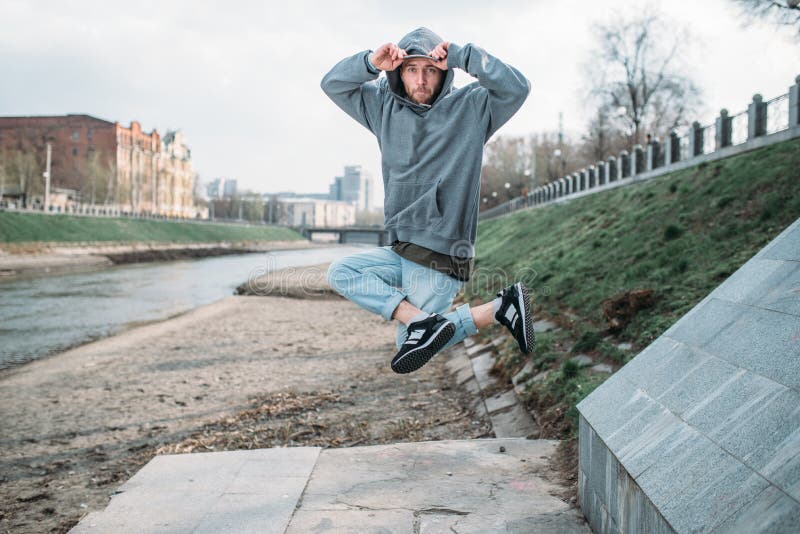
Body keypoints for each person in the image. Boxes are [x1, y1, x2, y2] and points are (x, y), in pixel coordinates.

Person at [321, 27, 533, 374]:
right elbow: (333, 84)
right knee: (342, 272)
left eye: (430, 70)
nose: (421, 80)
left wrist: (463, 55)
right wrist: (370, 63)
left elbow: (517, 87)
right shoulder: (382, 105)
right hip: (402, 245)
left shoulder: (472, 106)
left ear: (444, 71)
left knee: (407, 345)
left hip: (441, 247)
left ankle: (499, 309)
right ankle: (489, 310)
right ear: (399, 72)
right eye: (412, 69)